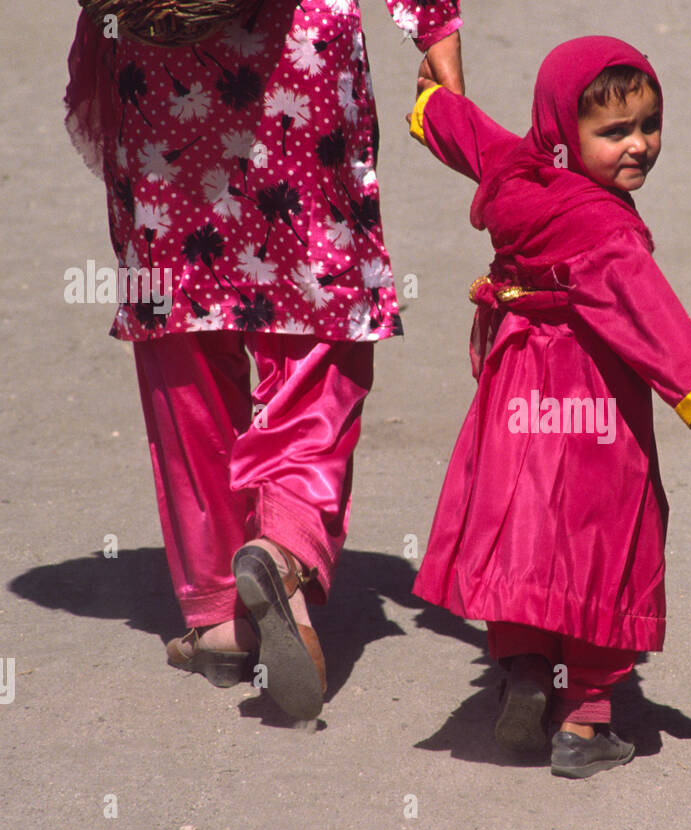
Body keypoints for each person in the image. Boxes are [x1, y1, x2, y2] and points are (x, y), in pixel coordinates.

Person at [63, 0, 464, 721]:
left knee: (183, 322)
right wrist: (432, 24)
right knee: (317, 320)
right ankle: (283, 544)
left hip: (159, 59)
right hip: (298, 60)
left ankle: (220, 614)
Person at [407, 36, 691, 778]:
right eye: (615, 131)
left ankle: (526, 669)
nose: (639, 145)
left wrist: (431, 102)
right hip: (591, 393)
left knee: (524, 520)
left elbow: (470, 136)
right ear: (564, 130)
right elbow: (648, 313)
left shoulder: (523, 166)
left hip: (518, 382)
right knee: (598, 534)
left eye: (649, 124)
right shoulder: (606, 226)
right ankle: (584, 724)